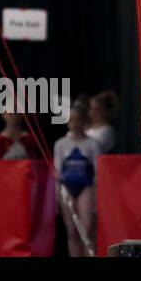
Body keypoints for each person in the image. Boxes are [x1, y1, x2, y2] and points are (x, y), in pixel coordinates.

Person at [54, 102, 100, 257]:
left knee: (85, 232)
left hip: (86, 187)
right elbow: (57, 172)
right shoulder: (60, 144)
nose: (74, 123)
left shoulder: (92, 144)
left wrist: (97, 195)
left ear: (84, 121)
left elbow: (98, 172)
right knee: (72, 232)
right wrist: (59, 194)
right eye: (71, 120)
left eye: (78, 119)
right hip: (67, 189)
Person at [86, 90, 118, 154]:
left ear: (106, 111)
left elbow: (92, 150)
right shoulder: (87, 129)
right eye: (91, 108)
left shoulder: (107, 131)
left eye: (97, 109)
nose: (93, 112)